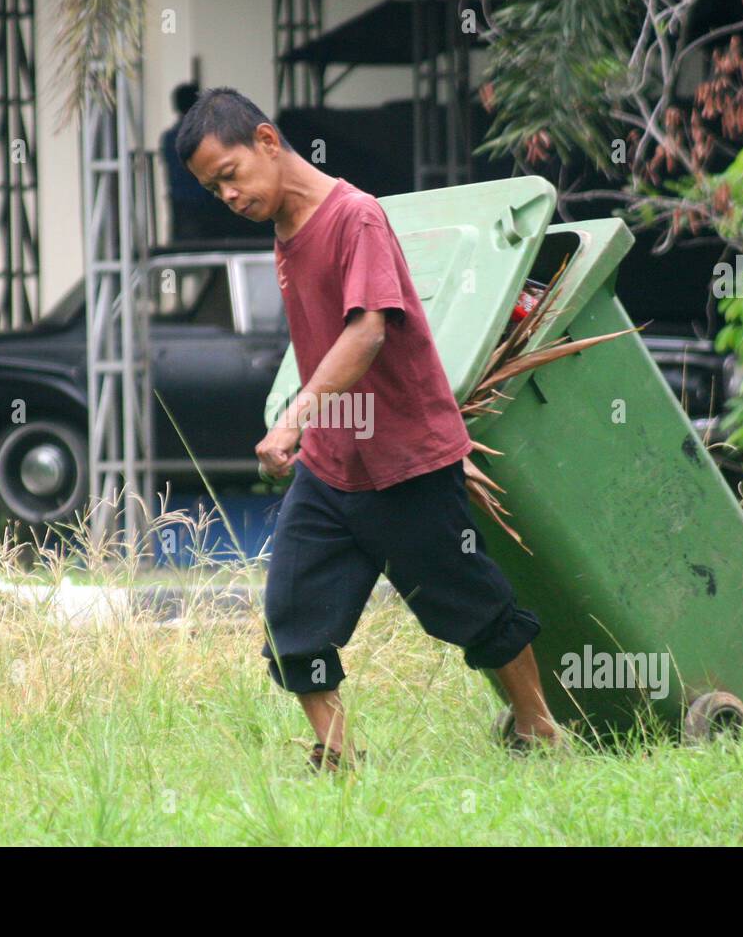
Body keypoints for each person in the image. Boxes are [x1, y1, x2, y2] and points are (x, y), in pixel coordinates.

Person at [176, 87, 562, 771]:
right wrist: (310, 425)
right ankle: (337, 760)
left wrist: (296, 416)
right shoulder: (285, 232)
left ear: (267, 141)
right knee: (293, 615)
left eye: (229, 175)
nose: (227, 197)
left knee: (468, 607)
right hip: (332, 466)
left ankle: (538, 730)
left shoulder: (355, 217)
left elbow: (369, 330)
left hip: (405, 461)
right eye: (213, 189)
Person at [162, 81, 261, 243]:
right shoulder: (206, 135)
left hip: (181, 202)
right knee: (214, 247)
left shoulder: (169, 137)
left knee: (184, 251)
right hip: (205, 202)